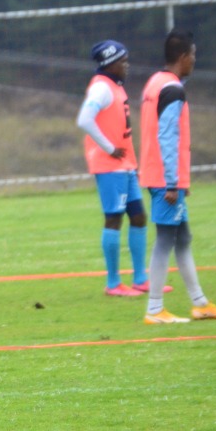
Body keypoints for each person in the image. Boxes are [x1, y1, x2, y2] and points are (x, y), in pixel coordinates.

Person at [138, 29, 216, 324]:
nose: (194, 60)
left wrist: (180, 181)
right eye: (193, 54)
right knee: (166, 239)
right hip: (164, 179)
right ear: (183, 57)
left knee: (182, 237)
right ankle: (155, 309)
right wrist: (172, 181)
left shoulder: (155, 82)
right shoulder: (173, 90)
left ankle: (200, 303)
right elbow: (167, 137)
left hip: (163, 176)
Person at [76, 40, 169, 298]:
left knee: (138, 216)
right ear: (110, 63)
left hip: (124, 164)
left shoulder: (114, 86)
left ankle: (140, 278)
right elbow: (84, 119)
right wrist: (108, 147)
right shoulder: (102, 89)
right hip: (109, 165)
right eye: (122, 61)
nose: (126, 65)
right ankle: (113, 283)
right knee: (114, 218)